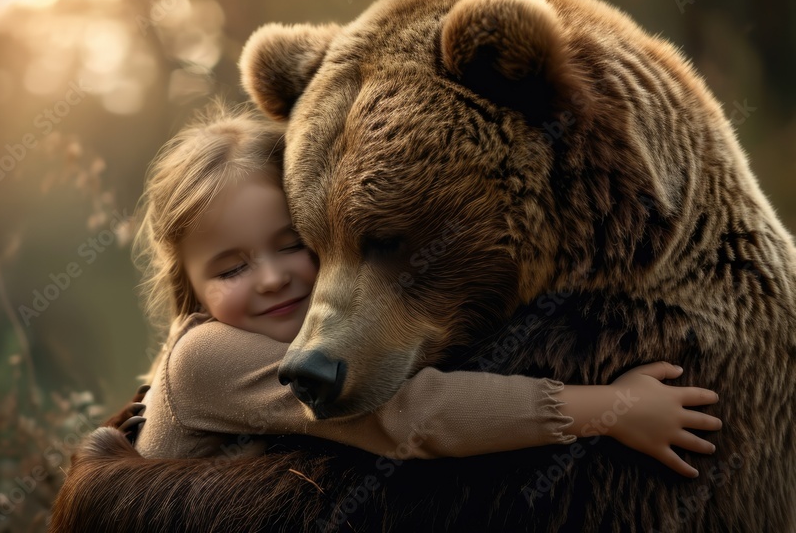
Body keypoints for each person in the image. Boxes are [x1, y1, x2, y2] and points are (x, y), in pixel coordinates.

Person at [123, 103, 721, 477]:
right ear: (192, 291)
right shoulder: (207, 359)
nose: (273, 277)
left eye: (293, 242)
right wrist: (611, 411)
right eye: (231, 268)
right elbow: (411, 417)